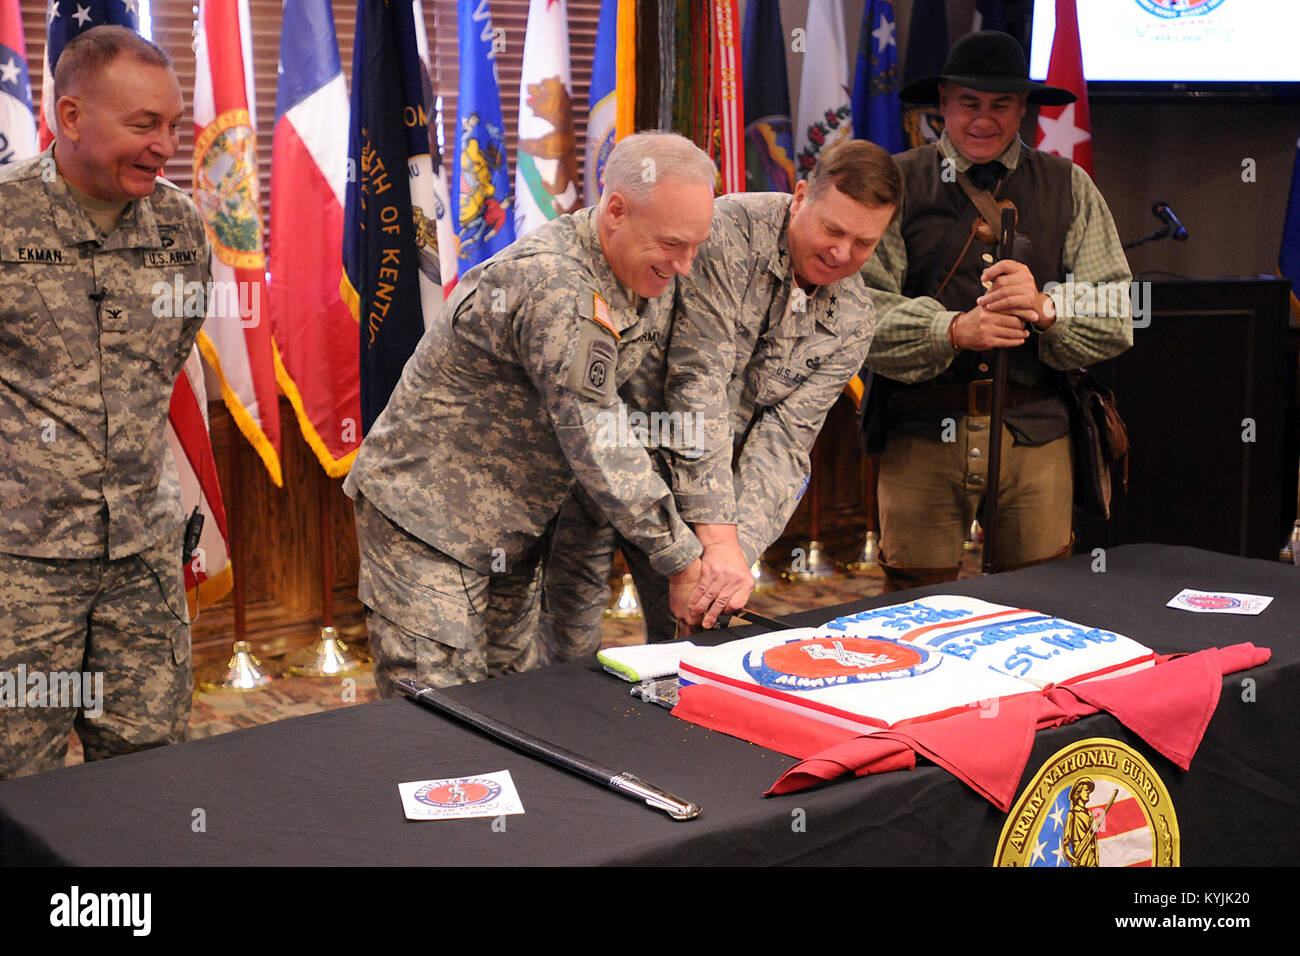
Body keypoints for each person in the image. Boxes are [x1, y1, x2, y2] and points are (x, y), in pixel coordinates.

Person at [343, 131, 752, 693]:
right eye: (673, 244)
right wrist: (682, 561)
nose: (686, 266)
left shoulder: (634, 270)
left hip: (511, 529)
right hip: (429, 524)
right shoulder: (558, 286)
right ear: (615, 211)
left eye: (696, 246)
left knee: (512, 698)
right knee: (437, 714)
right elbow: (599, 439)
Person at [542, 141, 901, 656]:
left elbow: (785, 444)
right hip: (601, 461)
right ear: (801, 197)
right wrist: (719, 538)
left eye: (864, 242)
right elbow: (697, 383)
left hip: (694, 497)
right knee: (564, 649)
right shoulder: (730, 232)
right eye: (833, 230)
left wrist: (731, 554)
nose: (842, 253)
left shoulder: (853, 318)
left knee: (689, 655)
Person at [0, 27, 209, 778]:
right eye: (143, 125)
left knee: (148, 773)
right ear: (70, 116)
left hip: (142, 563)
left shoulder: (181, 227)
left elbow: (168, 361)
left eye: (174, 124)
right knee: (15, 779)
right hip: (21, 567)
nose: (165, 146)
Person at [861, 31, 1133, 591]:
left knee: (1040, 604)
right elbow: (855, 316)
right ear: (942, 102)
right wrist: (953, 330)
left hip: (1036, 434)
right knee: (912, 609)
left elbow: (1120, 309)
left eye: (1001, 104)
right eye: (969, 102)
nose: (983, 119)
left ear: (1023, 109)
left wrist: (1046, 308)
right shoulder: (895, 183)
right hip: (920, 435)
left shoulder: (1069, 185)